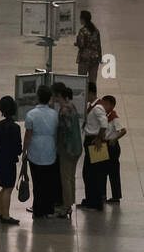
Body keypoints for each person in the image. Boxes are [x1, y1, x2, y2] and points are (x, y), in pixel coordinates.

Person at [23, 84, 61, 218]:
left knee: (37, 181)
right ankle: (47, 208)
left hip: (35, 151)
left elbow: (28, 136)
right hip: (50, 150)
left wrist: (24, 152)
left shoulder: (31, 114)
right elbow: (56, 134)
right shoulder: (54, 114)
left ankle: (37, 208)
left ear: (38, 97)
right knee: (48, 182)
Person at [52, 83, 83, 219]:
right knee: (70, 177)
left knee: (66, 179)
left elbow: (64, 132)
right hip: (76, 147)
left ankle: (66, 207)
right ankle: (69, 204)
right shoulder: (72, 106)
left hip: (67, 150)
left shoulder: (64, 111)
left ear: (58, 95)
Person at [80, 82, 110, 210]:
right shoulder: (90, 105)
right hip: (89, 140)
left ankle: (95, 202)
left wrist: (99, 138)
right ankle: (90, 199)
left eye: (85, 92)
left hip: (94, 142)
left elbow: (104, 124)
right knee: (88, 172)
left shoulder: (98, 107)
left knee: (94, 173)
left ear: (91, 93)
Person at [0, 95, 22, 226]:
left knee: (3, 186)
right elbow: (18, 148)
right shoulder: (15, 128)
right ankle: (6, 215)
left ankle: (0, 212)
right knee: (8, 188)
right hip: (9, 160)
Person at [101, 94, 127, 204]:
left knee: (113, 172)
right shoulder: (104, 116)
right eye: (103, 104)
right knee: (102, 171)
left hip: (112, 147)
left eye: (106, 104)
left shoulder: (114, 118)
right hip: (104, 145)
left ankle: (116, 196)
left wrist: (114, 139)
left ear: (112, 106)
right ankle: (102, 195)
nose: (103, 106)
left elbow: (123, 130)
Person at [75, 9, 102, 82]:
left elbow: (81, 45)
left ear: (83, 19)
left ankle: (84, 94)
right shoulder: (96, 30)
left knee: (82, 80)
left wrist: (76, 43)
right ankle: (92, 93)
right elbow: (99, 44)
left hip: (84, 58)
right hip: (95, 59)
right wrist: (100, 57)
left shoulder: (83, 31)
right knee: (92, 81)